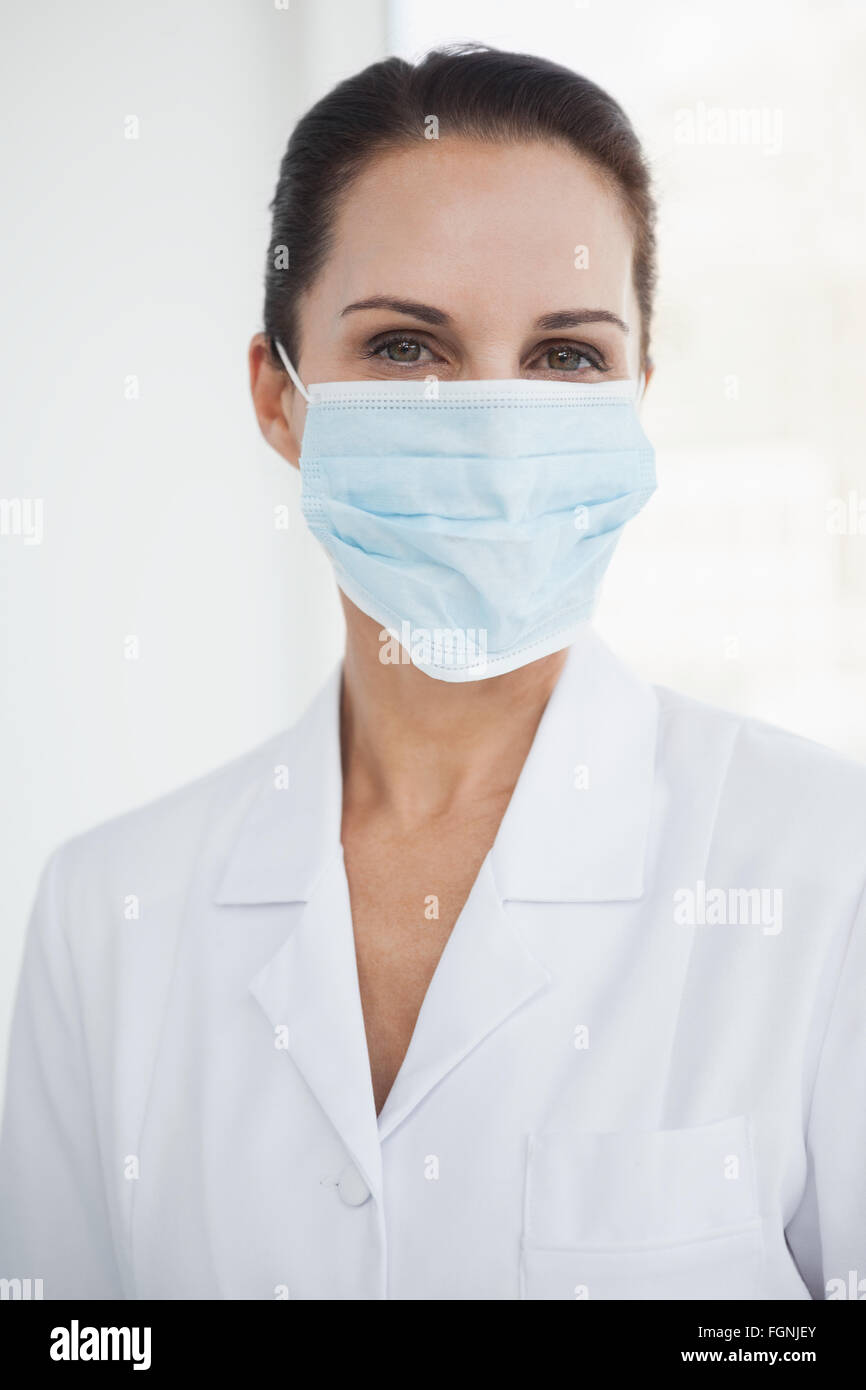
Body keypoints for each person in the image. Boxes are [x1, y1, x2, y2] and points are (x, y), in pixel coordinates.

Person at [1, 44, 864, 1302]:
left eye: (565, 357)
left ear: (634, 396)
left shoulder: (825, 866)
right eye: (406, 347)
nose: (491, 426)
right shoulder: (105, 913)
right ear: (278, 396)